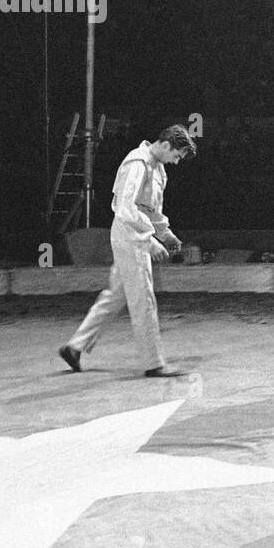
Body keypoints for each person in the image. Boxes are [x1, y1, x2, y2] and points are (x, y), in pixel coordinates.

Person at [58, 124, 197, 377]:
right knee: (143, 299)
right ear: (166, 145)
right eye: (176, 156)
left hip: (133, 233)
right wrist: (149, 240)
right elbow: (125, 208)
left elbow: (152, 210)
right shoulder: (137, 163)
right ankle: (154, 363)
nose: (176, 162)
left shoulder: (158, 169)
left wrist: (166, 234)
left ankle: (74, 347)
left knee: (116, 296)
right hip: (129, 234)